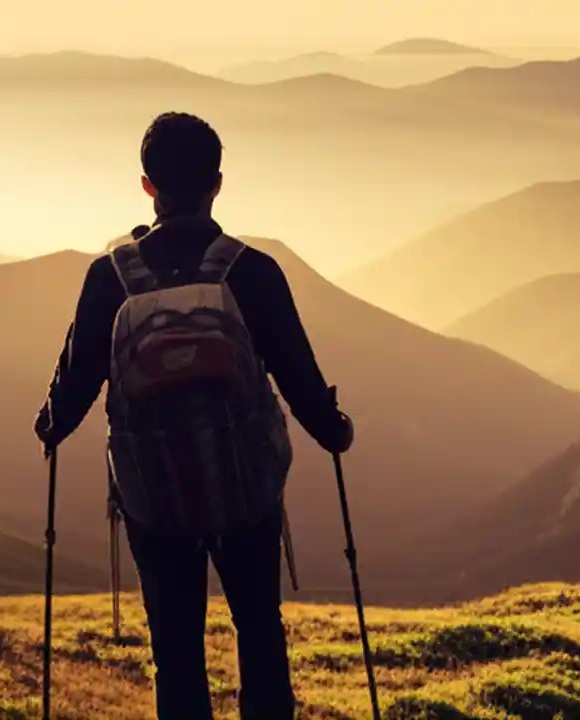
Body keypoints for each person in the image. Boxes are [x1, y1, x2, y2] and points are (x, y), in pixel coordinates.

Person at [35, 111, 354, 720]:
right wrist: (335, 430)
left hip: (153, 497)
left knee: (176, 650)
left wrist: (50, 422)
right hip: (245, 489)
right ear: (217, 182)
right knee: (259, 628)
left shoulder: (110, 278)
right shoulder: (253, 272)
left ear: (147, 186)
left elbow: (76, 384)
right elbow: (297, 373)